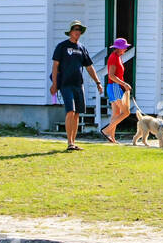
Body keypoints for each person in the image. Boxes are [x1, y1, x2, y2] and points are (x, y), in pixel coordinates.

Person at [51, 20, 102, 151]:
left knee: (77, 113)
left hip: (78, 84)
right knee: (70, 111)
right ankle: (69, 143)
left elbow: (89, 67)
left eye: (79, 30)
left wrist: (98, 82)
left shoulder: (82, 48)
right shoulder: (62, 46)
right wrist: (54, 84)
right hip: (65, 84)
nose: (77, 32)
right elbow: (55, 66)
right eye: (75, 30)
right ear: (70, 32)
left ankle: (73, 142)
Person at [101, 37, 133, 144]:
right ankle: (106, 131)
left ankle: (112, 138)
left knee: (116, 113)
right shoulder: (114, 58)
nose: (126, 50)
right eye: (124, 48)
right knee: (126, 112)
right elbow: (111, 75)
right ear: (118, 48)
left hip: (113, 87)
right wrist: (124, 84)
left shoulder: (117, 57)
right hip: (114, 86)